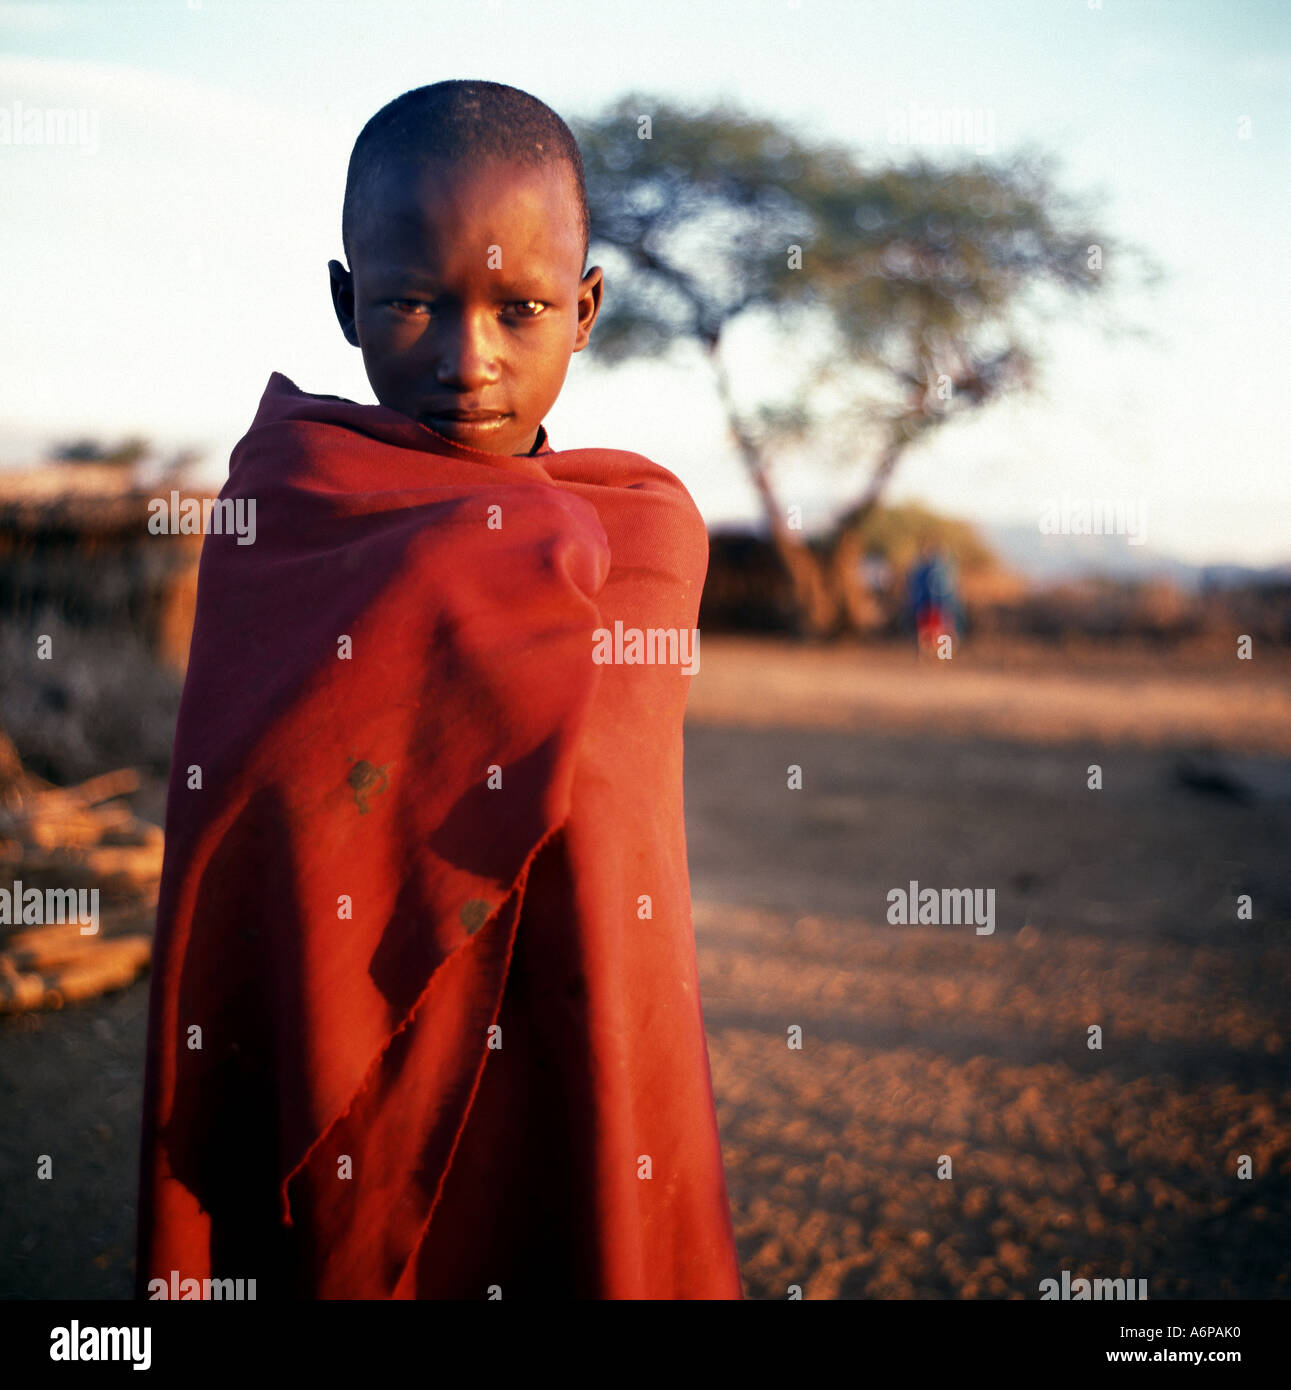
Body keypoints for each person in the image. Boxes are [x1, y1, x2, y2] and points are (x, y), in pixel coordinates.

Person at [135, 80, 743, 1300]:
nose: (469, 358)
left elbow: (618, 859)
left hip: (571, 1041)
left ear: (585, 312)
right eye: (413, 302)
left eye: (520, 310)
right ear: (344, 301)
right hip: (343, 1090)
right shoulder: (290, 512)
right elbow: (253, 839)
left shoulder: (646, 538)